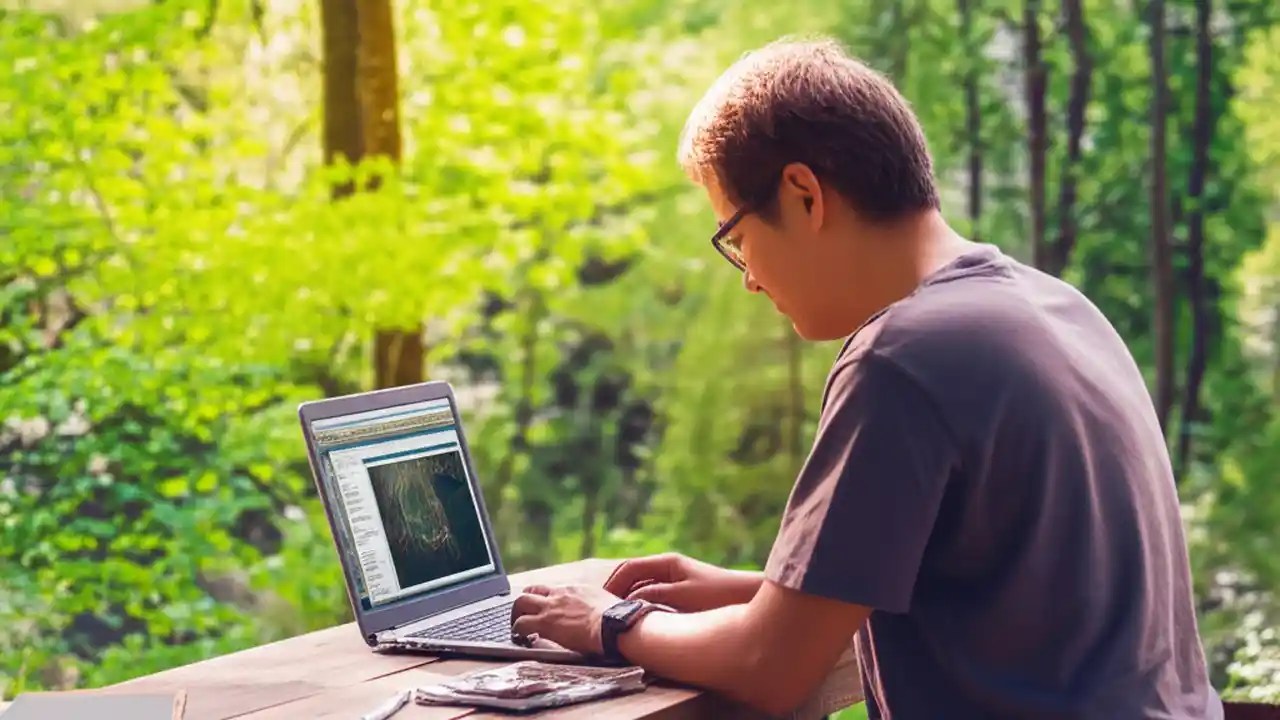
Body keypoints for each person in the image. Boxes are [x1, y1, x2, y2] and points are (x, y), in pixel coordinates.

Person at [509, 37, 1222, 719]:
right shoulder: (1055, 310)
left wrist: (610, 622)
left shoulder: (904, 358)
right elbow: (1005, 597)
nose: (751, 279)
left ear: (804, 195)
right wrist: (763, 591)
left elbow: (771, 667)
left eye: (737, 236)